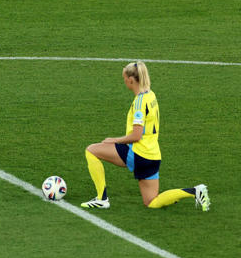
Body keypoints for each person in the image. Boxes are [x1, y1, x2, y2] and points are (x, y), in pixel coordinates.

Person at [81, 61, 211, 211]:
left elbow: (136, 135)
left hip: (138, 154)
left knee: (91, 150)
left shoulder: (139, 103)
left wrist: (114, 140)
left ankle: (101, 199)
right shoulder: (151, 95)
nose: (124, 81)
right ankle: (195, 191)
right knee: (151, 202)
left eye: (124, 78)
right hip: (153, 156)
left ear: (131, 80)